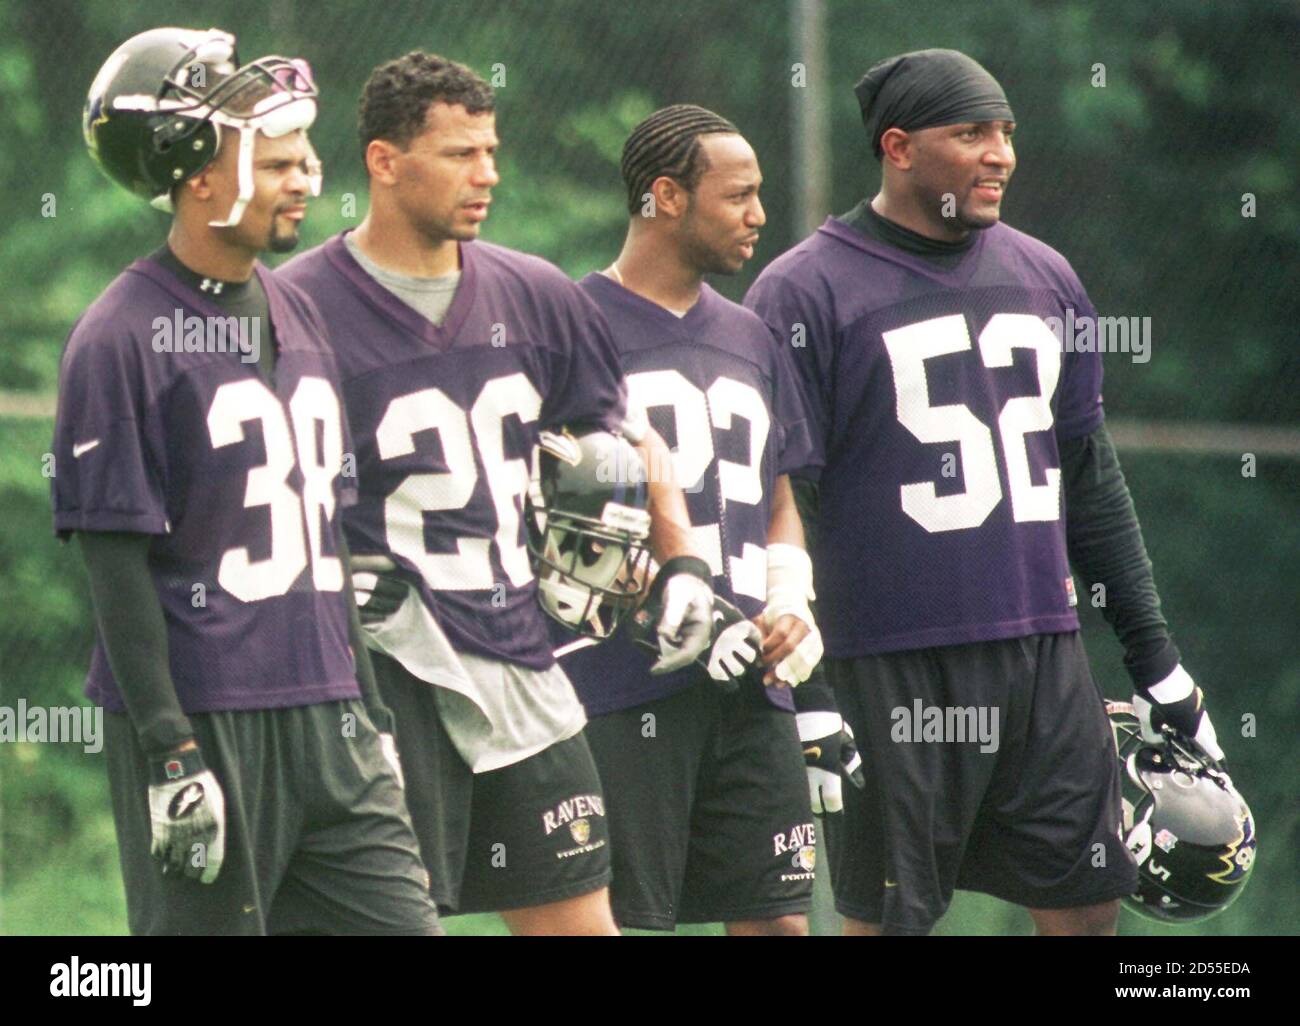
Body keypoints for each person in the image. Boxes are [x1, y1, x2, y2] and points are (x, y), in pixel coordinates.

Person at [744, 48, 1223, 937]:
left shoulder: (1045, 276)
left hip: (1042, 652)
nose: (1000, 153)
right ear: (898, 147)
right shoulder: (805, 290)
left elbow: (1089, 477)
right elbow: (780, 500)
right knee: (890, 919)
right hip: (887, 659)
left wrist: (1157, 663)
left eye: (1006, 132)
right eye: (970, 133)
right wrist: (804, 684)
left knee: (1085, 904)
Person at [278, 53, 711, 935]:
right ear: (383, 162)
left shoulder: (537, 293)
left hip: (520, 653)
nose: (488, 174)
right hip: (388, 666)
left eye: (492, 149)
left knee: (584, 923)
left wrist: (685, 563)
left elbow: (625, 440)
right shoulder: (297, 310)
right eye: (460, 154)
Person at [55, 27, 440, 935]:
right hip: (210, 717)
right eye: (274, 162)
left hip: (329, 713)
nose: (306, 178)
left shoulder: (298, 305)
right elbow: (115, 565)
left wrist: (371, 710)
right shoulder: (120, 338)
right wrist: (168, 749)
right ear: (199, 181)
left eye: (303, 157)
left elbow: (325, 538)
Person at [551, 105, 857, 935]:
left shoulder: (753, 336)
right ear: (666, 198)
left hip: (753, 687)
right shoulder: (570, 326)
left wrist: (790, 603)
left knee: (779, 922)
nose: (759, 216)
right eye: (739, 196)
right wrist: (671, 604)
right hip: (621, 684)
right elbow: (552, 517)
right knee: (620, 921)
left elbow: (781, 494)